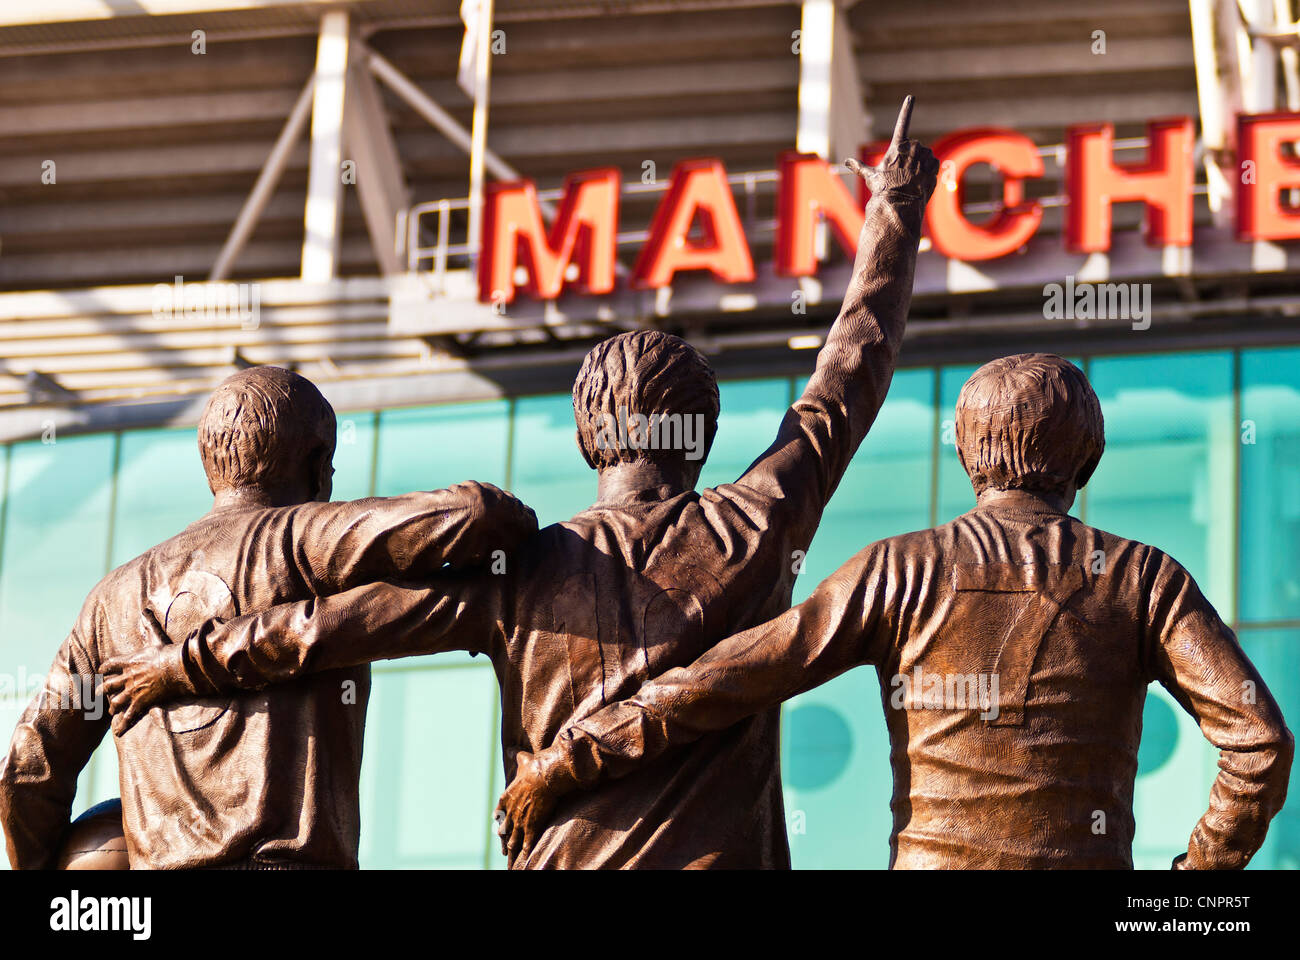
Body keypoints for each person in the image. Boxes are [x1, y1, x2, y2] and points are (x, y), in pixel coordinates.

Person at [100, 98, 940, 869]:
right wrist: (894, 208)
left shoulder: (523, 569)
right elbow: (850, 371)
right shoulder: (756, 525)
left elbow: (325, 628)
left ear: (586, 437)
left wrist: (182, 664)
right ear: (704, 435)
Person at [494, 353, 1294, 870]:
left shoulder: (899, 570)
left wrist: (566, 760)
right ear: (1086, 459)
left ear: (968, 456)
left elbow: (719, 681)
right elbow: (1259, 743)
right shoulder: (1140, 577)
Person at [0, 366, 536, 869]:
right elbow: (478, 515)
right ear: (314, 463)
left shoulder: (110, 600)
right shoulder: (306, 537)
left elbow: (26, 769)